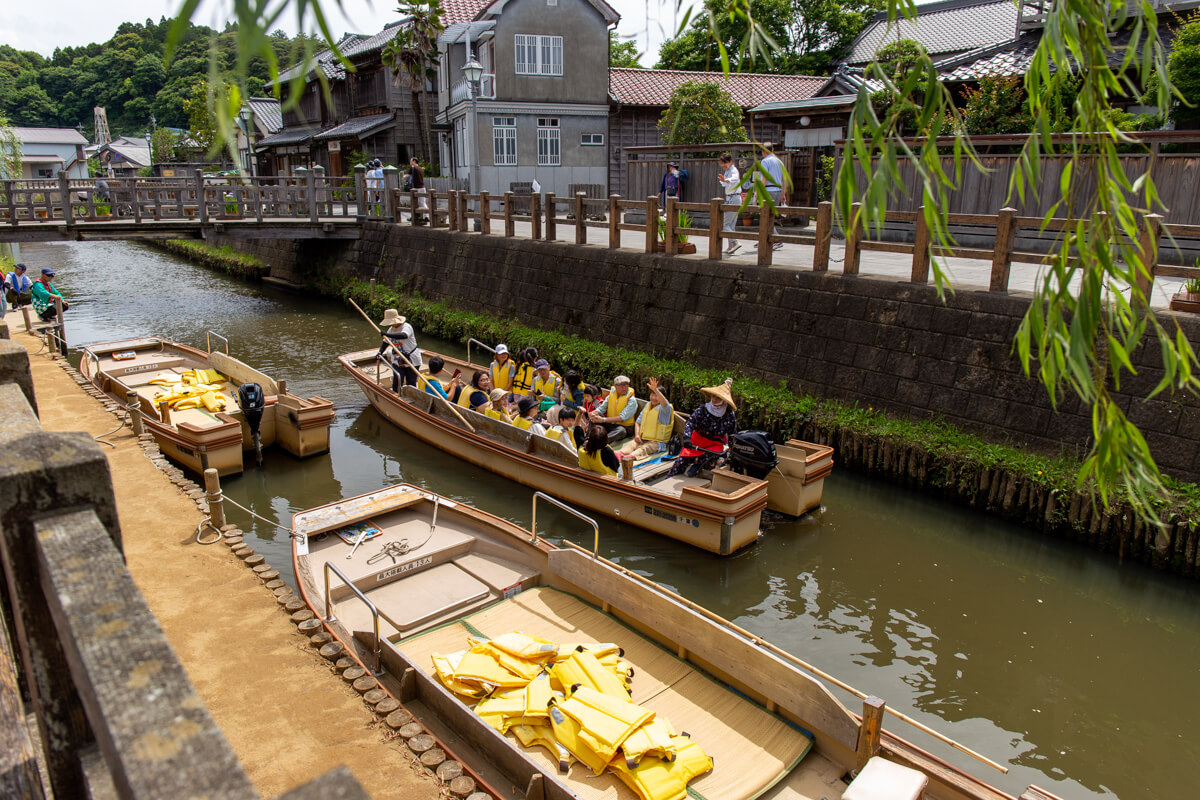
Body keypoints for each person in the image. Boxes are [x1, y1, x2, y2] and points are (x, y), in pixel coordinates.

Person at [669, 378, 739, 478]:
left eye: (718, 398)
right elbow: (691, 422)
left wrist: (731, 450)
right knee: (680, 463)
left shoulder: (729, 415)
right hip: (697, 440)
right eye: (713, 397)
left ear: (724, 401)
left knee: (708, 457)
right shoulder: (703, 409)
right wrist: (687, 437)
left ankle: (697, 466)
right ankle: (671, 476)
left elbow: (732, 433)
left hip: (714, 444)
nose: (714, 400)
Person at [617, 377, 674, 462]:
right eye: (652, 394)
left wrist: (656, 390)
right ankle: (619, 454)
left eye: (656, 395)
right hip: (643, 438)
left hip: (657, 442)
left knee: (644, 449)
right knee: (632, 444)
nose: (653, 398)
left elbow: (665, 404)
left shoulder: (665, 409)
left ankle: (629, 458)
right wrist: (637, 435)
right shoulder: (648, 405)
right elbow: (638, 422)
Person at [378, 308, 421, 391]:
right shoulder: (391, 329)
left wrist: (387, 334)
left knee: (411, 382)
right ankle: (396, 396)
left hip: (411, 358)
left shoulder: (406, 327)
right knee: (397, 380)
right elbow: (386, 342)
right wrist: (380, 352)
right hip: (397, 359)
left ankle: (410, 398)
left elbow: (404, 335)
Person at [588, 375, 637, 443]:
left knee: (621, 431)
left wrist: (603, 420)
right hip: (611, 423)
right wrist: (594, 412)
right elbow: (601, 409)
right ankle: (588, 438)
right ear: (616, 386)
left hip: (625, 428)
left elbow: (621, 418)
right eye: (622, 385)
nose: (625, 387)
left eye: (626, 385)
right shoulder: (610, 396)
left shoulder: (632, 400)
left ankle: (600, 442)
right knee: (594, 416)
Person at [759, 143, 785, 252]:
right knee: (770, 215)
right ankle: (765, 238)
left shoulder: (765, 161)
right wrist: (783, 194)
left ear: (763, 151)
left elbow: (764, 177)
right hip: (778, 190)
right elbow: (783, 180)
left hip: (768, 190)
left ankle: (777, 238)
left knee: (765, 215)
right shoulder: (779, 161)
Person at [717, 153, 744, 256]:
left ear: (730, 162)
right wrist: (723, 180)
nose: (723, 165)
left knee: (725, 224)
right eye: (722, 163)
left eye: (725, 163)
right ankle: (731, 245)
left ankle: (735, 242)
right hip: (731, 197)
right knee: (731, 224)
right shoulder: (728, 171)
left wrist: (725, 180)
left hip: (734, 197)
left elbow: (735, 179)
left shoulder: (733, 170)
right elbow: (726, 184)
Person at [408, 157, 429, 223]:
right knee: (422, 202)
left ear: (414, 161)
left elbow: (407, 176)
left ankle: (425, 216)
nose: (410, 163)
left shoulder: (413, 168)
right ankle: (423, 216)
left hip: (416, 188)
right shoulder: (421, 168)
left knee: (416, 203)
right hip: (423, 187)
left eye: (411, 161)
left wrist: (403, 177)